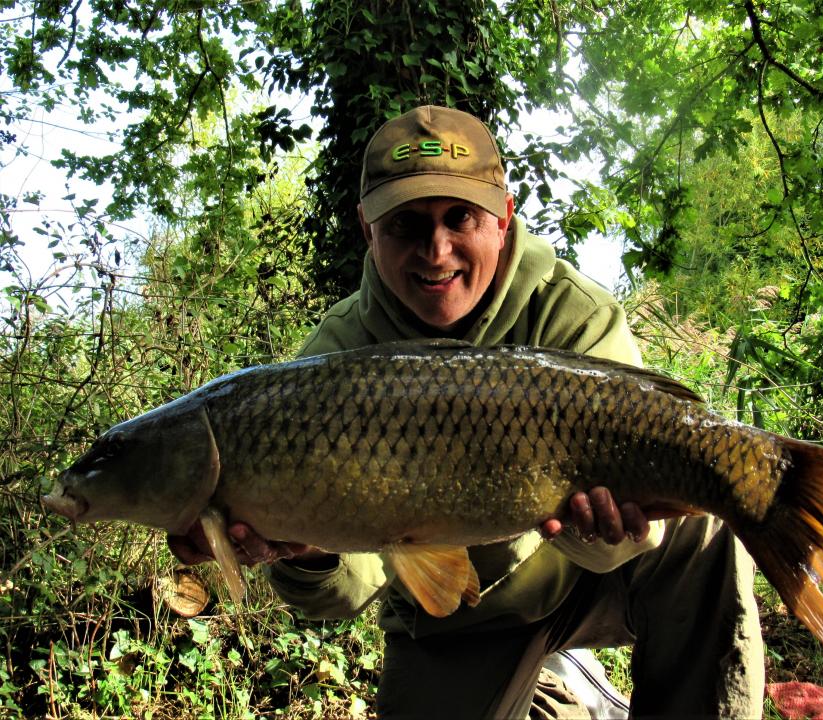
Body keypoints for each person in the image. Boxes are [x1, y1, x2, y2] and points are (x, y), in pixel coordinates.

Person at [170, 105, 764, 718]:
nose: (437, 250)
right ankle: (556, 696)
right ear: (368, 230)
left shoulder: (572, 317)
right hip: (456, 619)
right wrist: (311, 552)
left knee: (709, 521)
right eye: (405, 225)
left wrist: (602, 534)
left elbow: (634, 537)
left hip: (585, 576)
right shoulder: (333, 362)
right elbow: (341, 595)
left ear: (504, 219)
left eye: (462, 218)